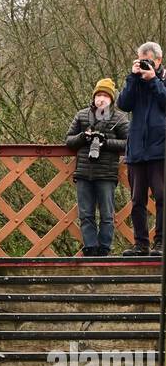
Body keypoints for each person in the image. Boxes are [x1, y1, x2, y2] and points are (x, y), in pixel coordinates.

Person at [65, 79, 129, 256]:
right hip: (83, 172)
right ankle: (90, 247)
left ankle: (104, 248)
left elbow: (129, 142)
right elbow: (69, 140)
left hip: (107, 173)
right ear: (93, 97)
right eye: (99, 95)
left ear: (112, 99)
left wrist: (106, 142)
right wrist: (83, 137)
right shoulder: (82, 115)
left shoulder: (119, 118)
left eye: (105, 96)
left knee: (107, 214)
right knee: (85, 214)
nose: (101, 99)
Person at [117, 41, 166, 255]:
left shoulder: (163, 80)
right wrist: (132, 77)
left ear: (159, 61)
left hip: (160, 149)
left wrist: (154, 80)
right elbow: (123, 104)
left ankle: (161, 243)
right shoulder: (135, 81)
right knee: (137, 200)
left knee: (162, 197)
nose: (145, 64)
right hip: (137, 149)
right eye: (141, 60)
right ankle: (141, 244)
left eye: (149, 61)